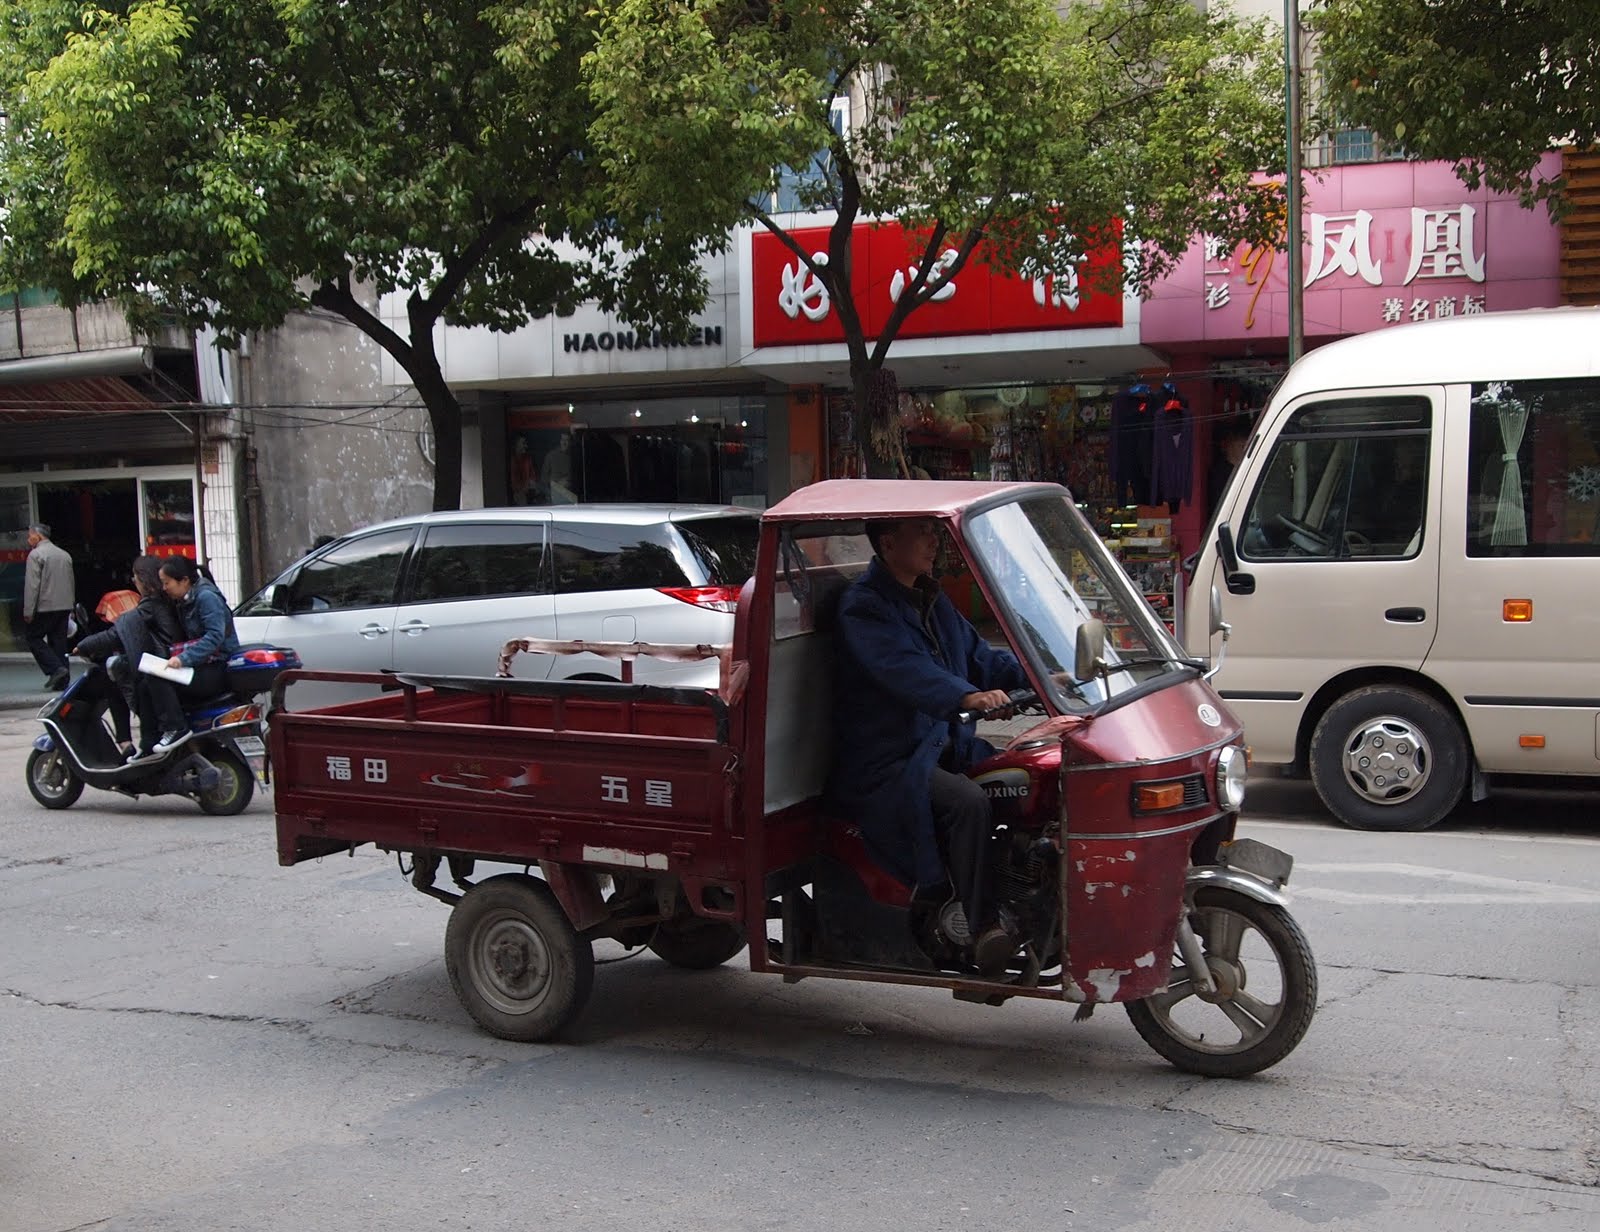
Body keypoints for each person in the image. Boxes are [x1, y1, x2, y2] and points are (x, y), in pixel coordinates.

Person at [827, 517, 1031, 973]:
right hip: (889, 759)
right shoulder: (864, 606)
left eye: (935, 533)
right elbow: (906, 669)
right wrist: (965, 696)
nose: (934, 542)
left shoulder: (931, 599)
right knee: (969, 802)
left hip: (940, 745)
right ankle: (980, 925)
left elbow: (982, 657)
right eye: (923, 533)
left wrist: (1037, 675)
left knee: (1020, 780)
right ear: (888, 542)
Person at [74, 556, 184, 760]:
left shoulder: (151, 605)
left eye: (135, 577)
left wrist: (83, 645)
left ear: (144, 579)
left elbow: (117, 633)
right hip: (171, 660)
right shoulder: (167, 601)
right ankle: (140, 745)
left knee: (125, 680)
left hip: (166, 663)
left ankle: (133, 744)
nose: (134, 581)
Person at [141, 556, 242, 754]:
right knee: (144, 685)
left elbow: (214, 637)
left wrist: (183, 659)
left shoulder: (206, 597)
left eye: (166, 583)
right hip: (203, 664)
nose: (164, 588)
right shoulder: (185, 600)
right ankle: (148, 744)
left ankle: (177, 728)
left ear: (184, 581)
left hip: (218, 668)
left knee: (159, 680)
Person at [22, 522, 75, 691]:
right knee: (58, 641)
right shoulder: (64, 554)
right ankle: (63, 680)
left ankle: (55, 668)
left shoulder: (35, 555)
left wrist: (28, 610)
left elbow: (32, 586)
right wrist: (71, 605)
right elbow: (70, 582)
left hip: (45, 605)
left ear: (38, 536)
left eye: (29, 535)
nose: (28, 539)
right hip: (64, 604)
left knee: (33, 637)